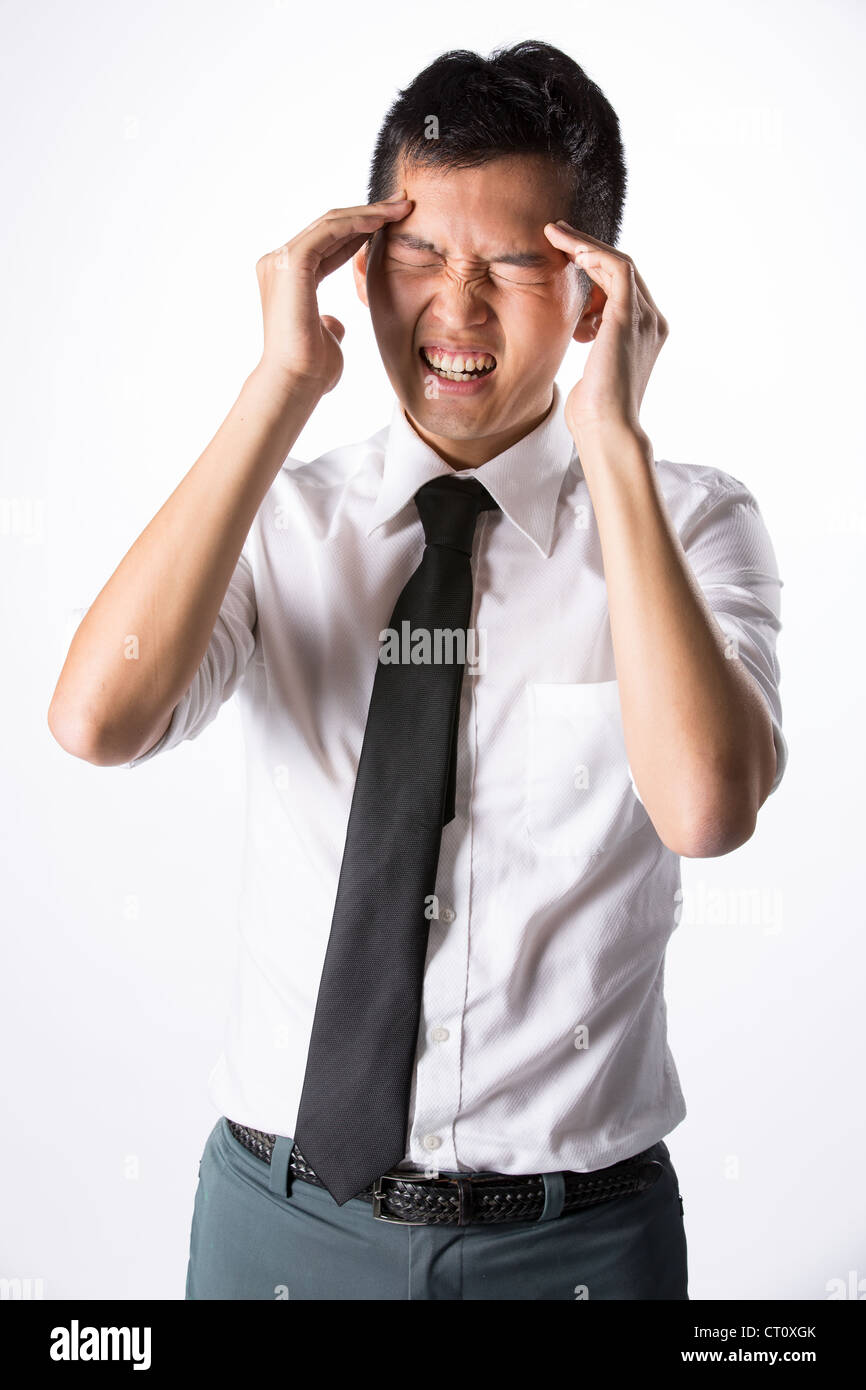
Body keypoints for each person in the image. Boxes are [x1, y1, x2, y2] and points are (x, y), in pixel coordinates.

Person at [47, 40, 787, 1301]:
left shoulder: (692, 524)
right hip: (276, 1223)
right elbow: (97, 718)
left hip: (572, 1247)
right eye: (416, 253)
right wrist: (276, 386)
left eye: (511, 262)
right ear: (359, 264)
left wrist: (611, 441)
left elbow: (704, 809)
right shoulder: (279, 522)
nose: (456, 307)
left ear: (594, 290)